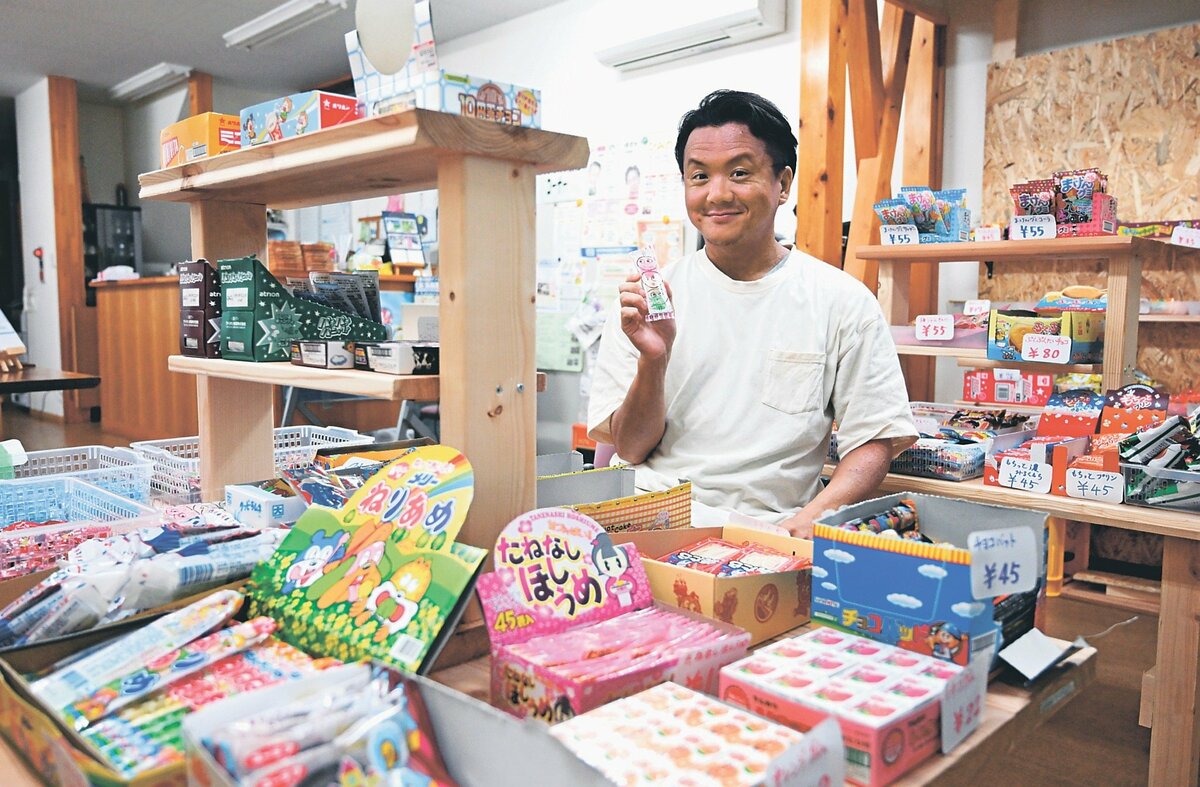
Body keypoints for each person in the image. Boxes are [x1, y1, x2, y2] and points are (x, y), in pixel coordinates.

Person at [586, 90, 917, 538]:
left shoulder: (841, 300)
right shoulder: (650, 301)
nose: (717, 194)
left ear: (783, 184)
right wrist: (653, 358)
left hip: (767, 533)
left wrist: (810, 520)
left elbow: (875, 438)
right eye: (698, 176)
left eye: (740, 173)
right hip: (650, 518)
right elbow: (629, 446)